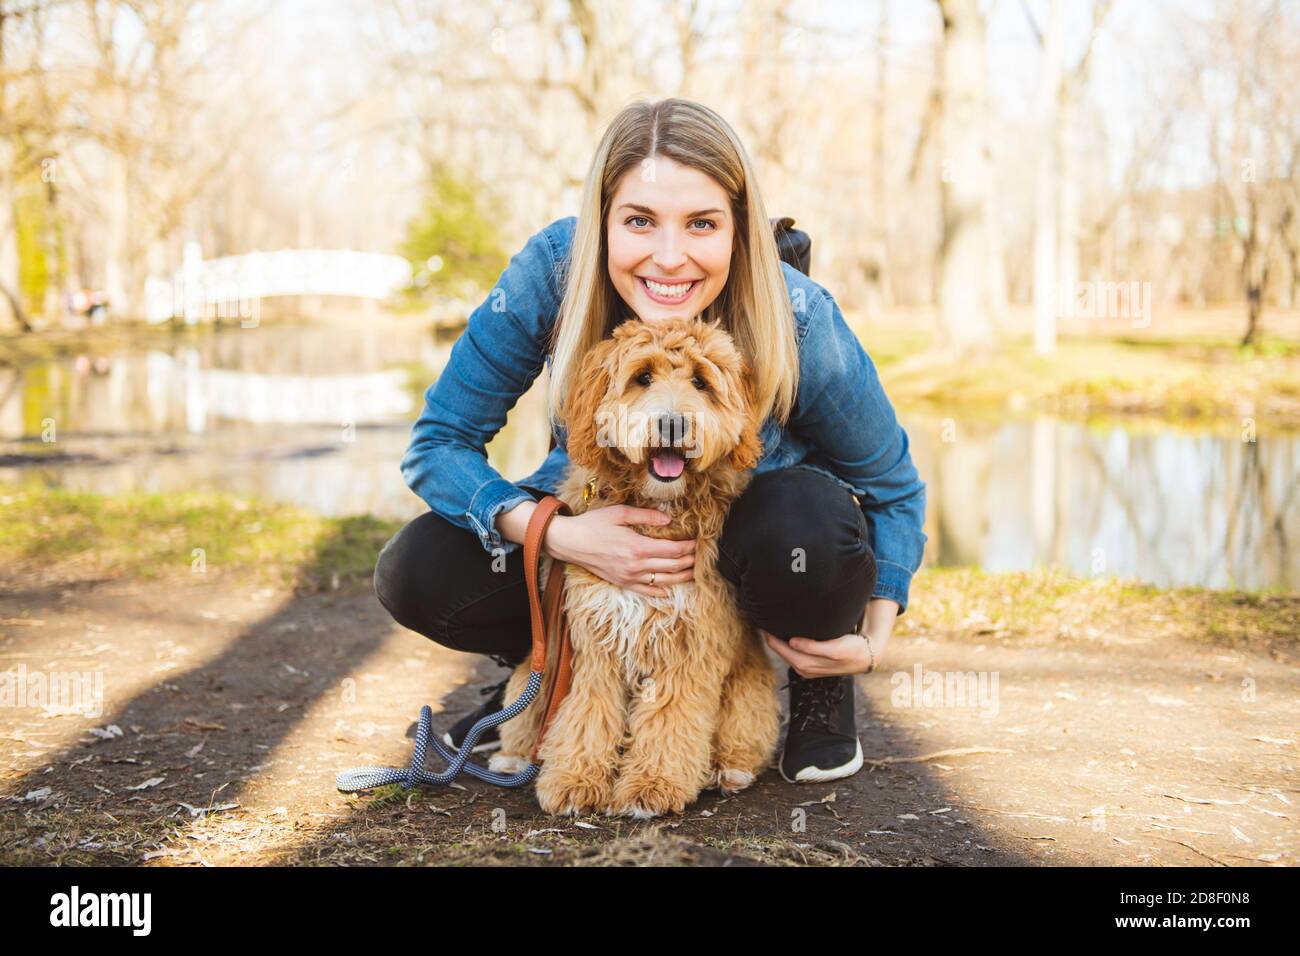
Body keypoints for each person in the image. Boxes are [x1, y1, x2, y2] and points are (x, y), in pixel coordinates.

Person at [374, 98, 927, 784]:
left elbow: (894, 488)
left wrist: (871, 642)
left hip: (743, 549)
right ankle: (552, 671)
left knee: (804, 526)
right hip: (591, 533)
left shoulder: (798, 318)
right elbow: (439, 443)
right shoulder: (553, 271)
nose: (670, 259)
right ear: (601, 220)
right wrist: (555, 532)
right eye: (639, 221)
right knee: (419, 568)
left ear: (739, 229)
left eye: (701, 223)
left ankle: (816, 679)